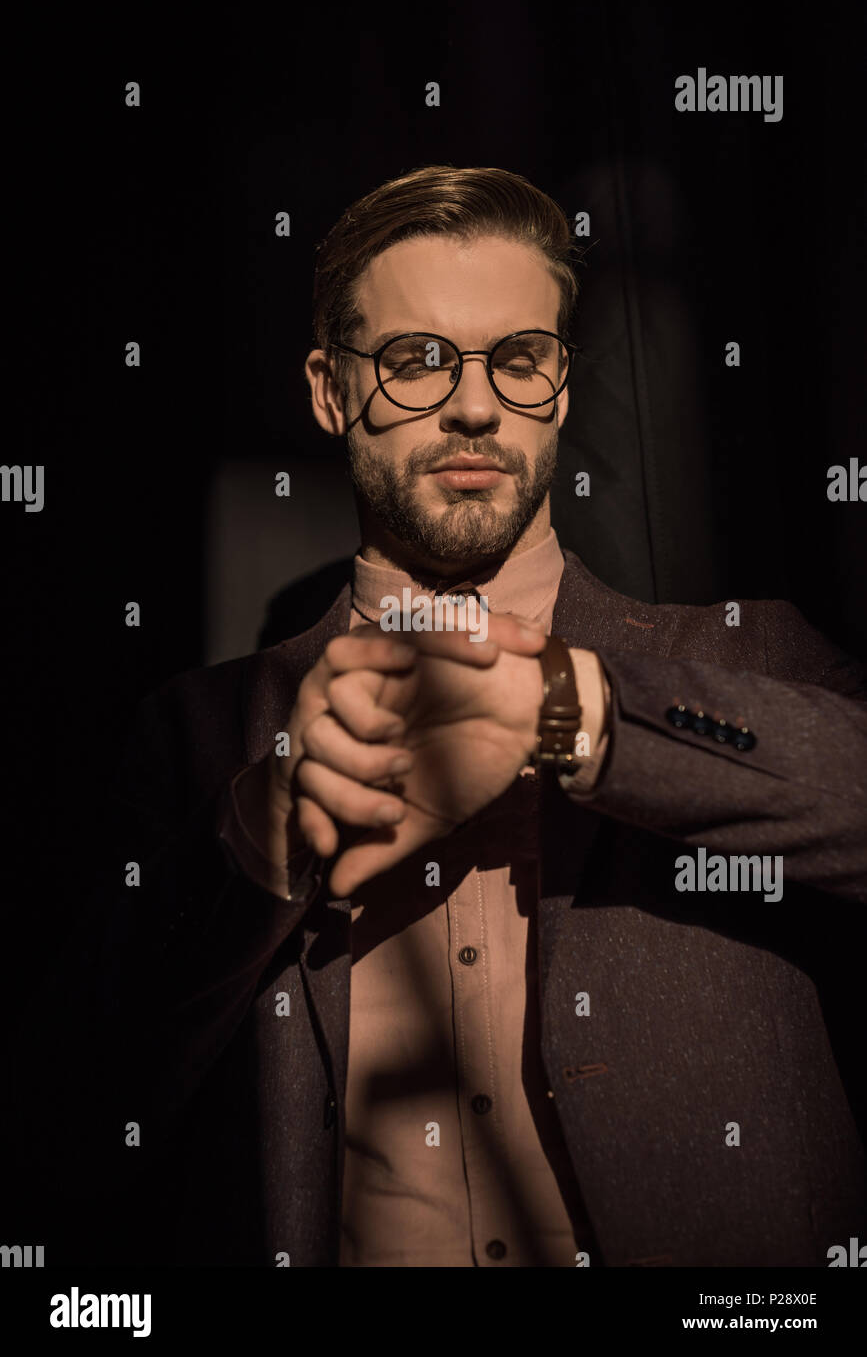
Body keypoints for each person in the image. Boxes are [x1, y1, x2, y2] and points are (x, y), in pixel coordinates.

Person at [14, 165, 867, 1268]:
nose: (475, 404)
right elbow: (65, 1133)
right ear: (328, 390)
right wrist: (257, 843)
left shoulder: (751, 654)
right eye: (416, 360)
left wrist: (570, 713)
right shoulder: (194, 734)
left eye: (519, 358)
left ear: (560, 388)